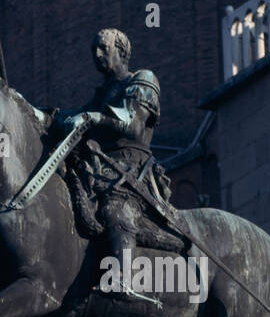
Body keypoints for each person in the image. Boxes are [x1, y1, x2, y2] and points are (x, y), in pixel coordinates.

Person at [55, 29, 185, 299]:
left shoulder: (142, 79)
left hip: (131, 169)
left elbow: (133, 125)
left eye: (103, 49)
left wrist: (92, 119)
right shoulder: (104, 93)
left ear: (122, 51)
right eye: (94, 51)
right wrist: (40, 114)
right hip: (100, 166)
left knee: (116, 207)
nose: (98, 56)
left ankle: (124, 277)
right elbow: (70, 116)